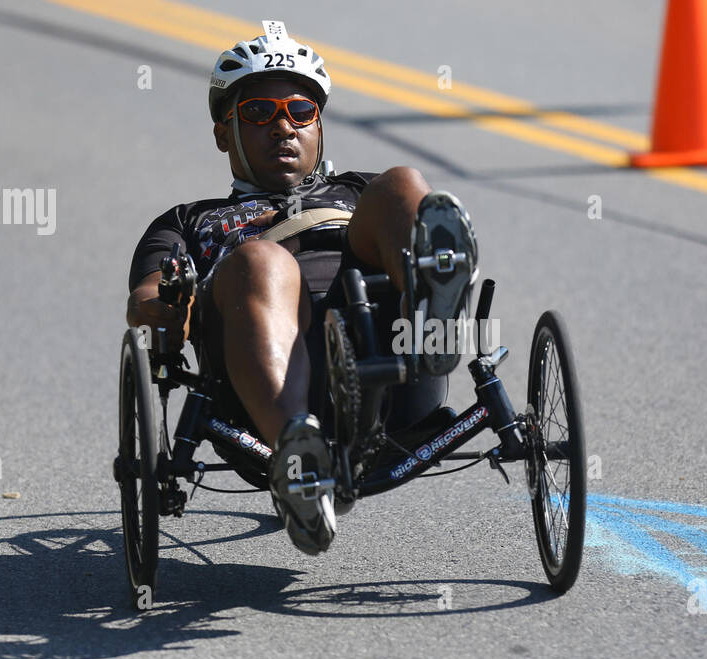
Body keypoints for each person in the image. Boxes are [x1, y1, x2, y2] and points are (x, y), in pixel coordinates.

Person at [126, 21, 478, 556]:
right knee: (261, 261)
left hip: (390, 356)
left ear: (319, 126)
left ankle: (433, 315)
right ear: (224, 134)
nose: (283, 127)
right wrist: (178, 298)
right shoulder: (189, 221)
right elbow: (143, 302)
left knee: (404, 182)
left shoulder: (359, 192)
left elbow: (392, 198)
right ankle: (299, 452)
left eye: (300, 111)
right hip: (264, 367)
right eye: (259, 113)